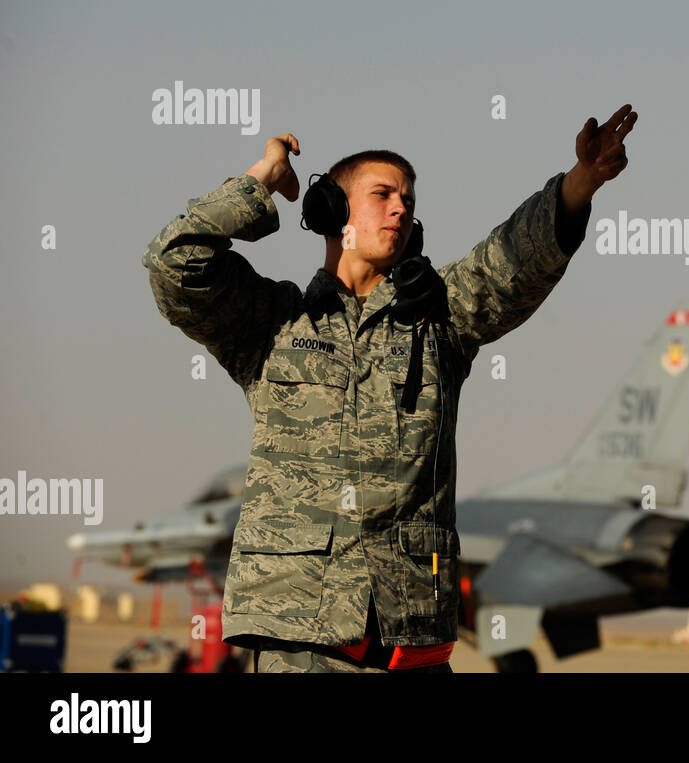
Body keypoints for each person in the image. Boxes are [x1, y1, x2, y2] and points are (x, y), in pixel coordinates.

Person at [142, 105, 636, 672]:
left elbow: (514, 260)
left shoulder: (438, 319)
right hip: (302, 643)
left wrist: (581, 182)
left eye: (409, 201)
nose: (400, 207)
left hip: (411, 644)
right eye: (382, 194)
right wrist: (259, 183)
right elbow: (173, 263)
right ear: (333, 210)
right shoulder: (273, 323)